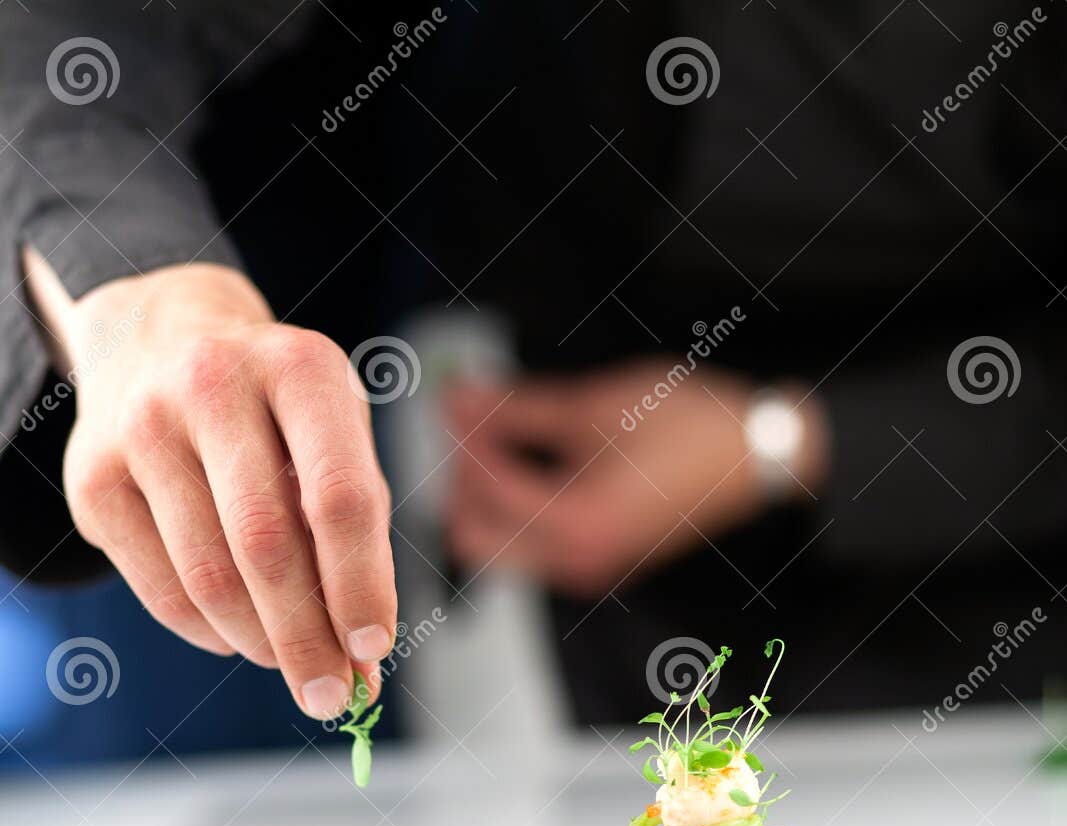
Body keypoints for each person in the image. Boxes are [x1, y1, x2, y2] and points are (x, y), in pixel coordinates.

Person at [2, 1, 1064, 729]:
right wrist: (138, 278)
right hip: (286, 444)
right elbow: (81, 30)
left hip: (938, 614)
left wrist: (787, 439)